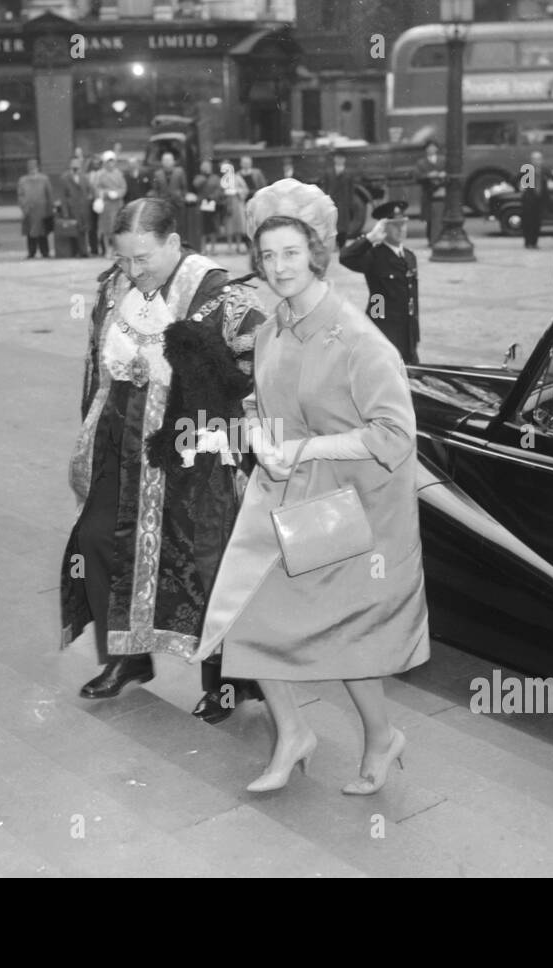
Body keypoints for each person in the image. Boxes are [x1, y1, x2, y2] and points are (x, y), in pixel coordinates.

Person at [191, 178, 430, 795]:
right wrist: (244, 432)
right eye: (267, 256)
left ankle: (381, 738)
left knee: (345, 634)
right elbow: (263, 398)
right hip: (289, 495)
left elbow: (394, 436)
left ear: (318, 253)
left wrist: (304, 448)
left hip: (354, 507)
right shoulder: (272, 328)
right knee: (247, 616)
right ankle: (293, 732)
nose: (277, 267)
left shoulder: (358, 337)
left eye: (291, 253)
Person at [61, 197, 267, 724]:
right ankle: (127, 657)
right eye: (124, 258)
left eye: (143, 259)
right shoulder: (114, 286)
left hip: (190, 451)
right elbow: (94, 362)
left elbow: (260, 370)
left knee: (205, 563)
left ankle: (229, 682)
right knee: (96, 536)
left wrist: (227, 430)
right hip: (121, 443)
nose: (133, 271)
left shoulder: (220, 295)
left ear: (174, 244)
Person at [338, 200, 419, 364]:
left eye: (403, 223)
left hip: (408, 333)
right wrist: (369, 239)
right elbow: (345, 257)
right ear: (383, 227)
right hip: (387, 335)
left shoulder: (409, 257)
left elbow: (412, 299)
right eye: (395, 225)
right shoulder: (374, 256)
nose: (401, 228)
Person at [321, 152, 369, 248]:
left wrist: (350, 202)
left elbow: (351, 189)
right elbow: (325, 188)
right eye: (337, 158)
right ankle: (334, 245)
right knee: (333, 224)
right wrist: (326, 201)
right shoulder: (329, 172)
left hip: (344, 203)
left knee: (343, 226)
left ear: (344, 160)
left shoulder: (348, 173)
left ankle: (342, 245)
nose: (339, 160)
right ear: (334, 160)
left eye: (341, 158)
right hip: (332, 202)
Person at [16, 158, 53, 260]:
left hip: (42, 210)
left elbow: (49, 194)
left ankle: (45, 252)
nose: (32, 170)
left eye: (34, 167)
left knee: (42, 232)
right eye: (30, 168)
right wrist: (24, 207)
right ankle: (31, 252)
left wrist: (50, 209)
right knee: (31, 233)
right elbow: (20, 195)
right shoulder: (23, 180)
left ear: (37, 168)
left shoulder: (44, 179)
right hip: (29, 210)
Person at [93, 151, 127, 258]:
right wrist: (107, 193)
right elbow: (96, 188)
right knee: (106, 229)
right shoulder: (100, 174)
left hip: (117, 204)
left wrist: (118, 194)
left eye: (112, 162)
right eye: (108, 162)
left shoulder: (119, 173)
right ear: (104, 163)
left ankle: (117, 249)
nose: (110, 164)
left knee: (118, 229)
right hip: (106, 205)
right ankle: (107, 249)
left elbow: (123, 187)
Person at [58, 157, 91, 258]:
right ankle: (74, 251)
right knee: (72, 230)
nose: (75, 168)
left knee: (83, 230)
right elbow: (63, 197)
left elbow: (88, 190)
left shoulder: (84, 177)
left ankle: (83, 252)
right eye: (73, 166)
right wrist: (65, 212)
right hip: (71, 208)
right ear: (70, 166)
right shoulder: (65, 178)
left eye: (77, 166)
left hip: (83, 208)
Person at [415, 140, 446, 246]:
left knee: (440, 216)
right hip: (428, 192)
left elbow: (449, 173)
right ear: (426, 149)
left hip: (441, 191)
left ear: (436, 148)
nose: (431, 149)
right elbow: (417, 177)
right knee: (429, 218)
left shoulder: (443, 160)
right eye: (429, 147)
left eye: (433, 147)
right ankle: (431, 239)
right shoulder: (421, 162)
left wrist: (442, 175)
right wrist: (428, 175)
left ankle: (438, 239)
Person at [518, 150, 550, 249]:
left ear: (542, 160)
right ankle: (528, 243)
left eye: (539, 159)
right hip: (529, 201)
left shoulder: (544, 171)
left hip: (540, 201)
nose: (537, 161)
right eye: (535, 159)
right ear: (531, 160)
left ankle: (534, 243)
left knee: (537, 222)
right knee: (528, 222)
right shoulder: (528, 171)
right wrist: (519, 187)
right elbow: (515, 179)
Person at [218, 161, 249, 254]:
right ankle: (229, 247)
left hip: (237, 204)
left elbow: (245, 189)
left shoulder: (237, 177)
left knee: (238, 225)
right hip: (227, 204)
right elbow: (219, 192)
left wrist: (237, 191)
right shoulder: (223, 180)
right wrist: (224, 194)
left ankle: (239, 246)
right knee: (229, 225)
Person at [192, 158, 221, 254]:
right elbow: (195, 185)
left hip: (212, 204)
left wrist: (212, 197)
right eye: (204, 167)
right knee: (203, 228)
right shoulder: (199, 177)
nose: (206, 168)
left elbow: (219, 190)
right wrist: (204, 177)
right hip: (202, 205)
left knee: (213, 227)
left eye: (208, 166)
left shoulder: (215, 177)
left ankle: (213, 249)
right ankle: (203, 248)